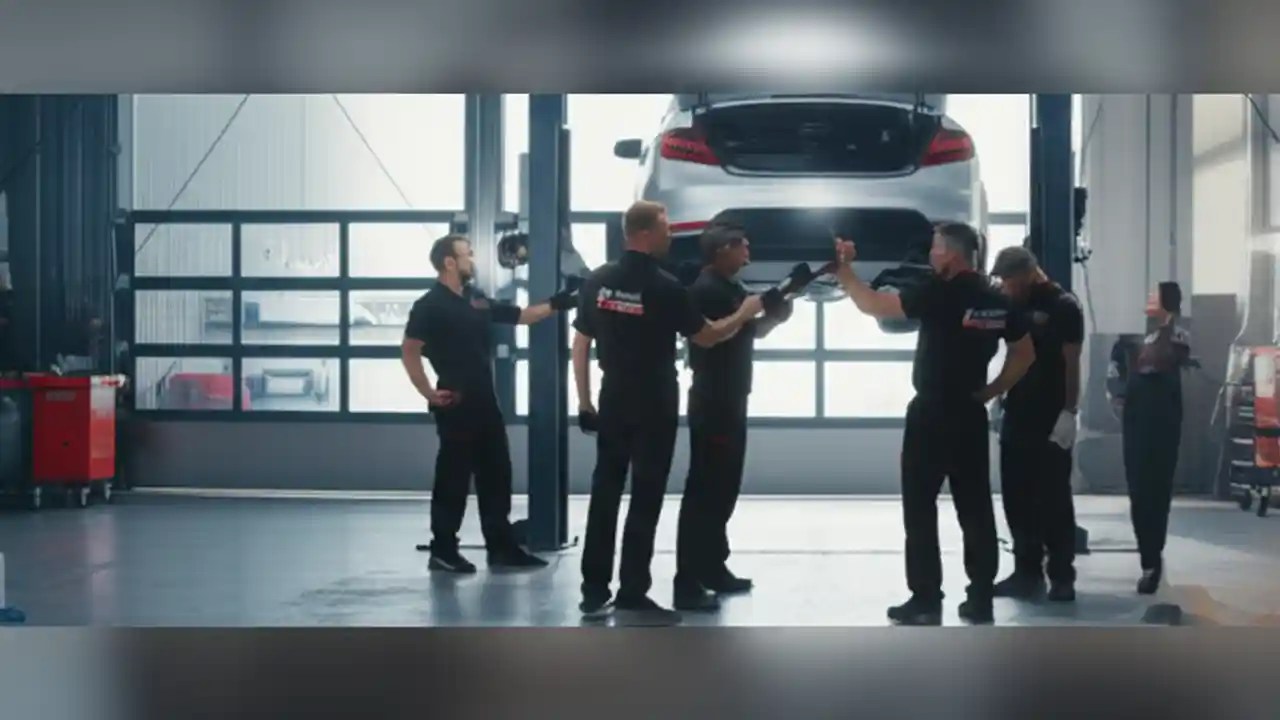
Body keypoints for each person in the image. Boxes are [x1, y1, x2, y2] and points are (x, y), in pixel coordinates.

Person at [572, 200, 766, 624]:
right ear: (644, 232)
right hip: (654, 403)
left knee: (605, 492)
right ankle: (632, 593)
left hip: (612, 397)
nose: (669, 236)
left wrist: (584, 401)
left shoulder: (598, 282)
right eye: (664, 229)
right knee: (645, 496)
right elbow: (709, 337)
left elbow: (581, 343)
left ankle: (593, 589)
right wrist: (745, 312)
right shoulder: (664, 287)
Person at [831, 223, 1035, 625]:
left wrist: (846, 273)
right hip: (970, 414)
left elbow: (876, 306)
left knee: (920, 508)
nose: (931, 255)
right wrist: (994, 389)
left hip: (931, 415)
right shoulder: (996, 298)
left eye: (936, 249)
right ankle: (980, 599)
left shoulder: (940, 291)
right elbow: (1024, 353)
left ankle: (925, 599)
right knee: (976, 508)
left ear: (953, 256)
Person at [401, 234, 578, 573]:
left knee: (497, 475)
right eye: (467, 254)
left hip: (485, 403)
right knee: (453, 480)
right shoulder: (429, 305)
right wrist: (427, 392)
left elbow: (522, 316)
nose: (473, 260)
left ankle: (501, 547)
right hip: (455, 404)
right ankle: (443, 550)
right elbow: (410, 349)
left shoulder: (475, 300)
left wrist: (559, 303)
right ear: (449, 262)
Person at [672, 220, 795, 612]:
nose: (748, 253)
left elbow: (749, 332)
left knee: (724, 488)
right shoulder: (705, 290)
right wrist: (745, 313)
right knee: (705, 490)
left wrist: (776, 315)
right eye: (742, 246)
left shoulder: (731, 287)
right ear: (722, 249)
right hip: (713, 400)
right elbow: (711, 333)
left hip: (733, 398)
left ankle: (713, 567)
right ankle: (687, 580)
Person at [989, 246, 1084, 603]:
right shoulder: (1015, 303)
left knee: (1054, 497)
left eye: (1011, 280)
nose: (1007, 287)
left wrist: (1069, 412)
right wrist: (1001, 398)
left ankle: (1062, 575)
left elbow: (1071, 360)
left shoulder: (1063, 306)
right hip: (1018, 411)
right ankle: (1025, 573)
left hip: (1050, 413)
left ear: (1030, 273)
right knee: (1017, 496)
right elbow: (1011, 353)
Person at [1106, 281, 1190, 595]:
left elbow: (1165, 358)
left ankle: (1152, 560)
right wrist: (1117, 397)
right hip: (1136, 423)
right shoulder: (1130, 339)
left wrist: (1162, 328)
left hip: (1164, 424)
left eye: (1154, 295)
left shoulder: (1176, 336)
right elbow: (1116, 373)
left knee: (1158, 492)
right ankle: (1148, 557)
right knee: (1139, 492)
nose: (1148, 299)